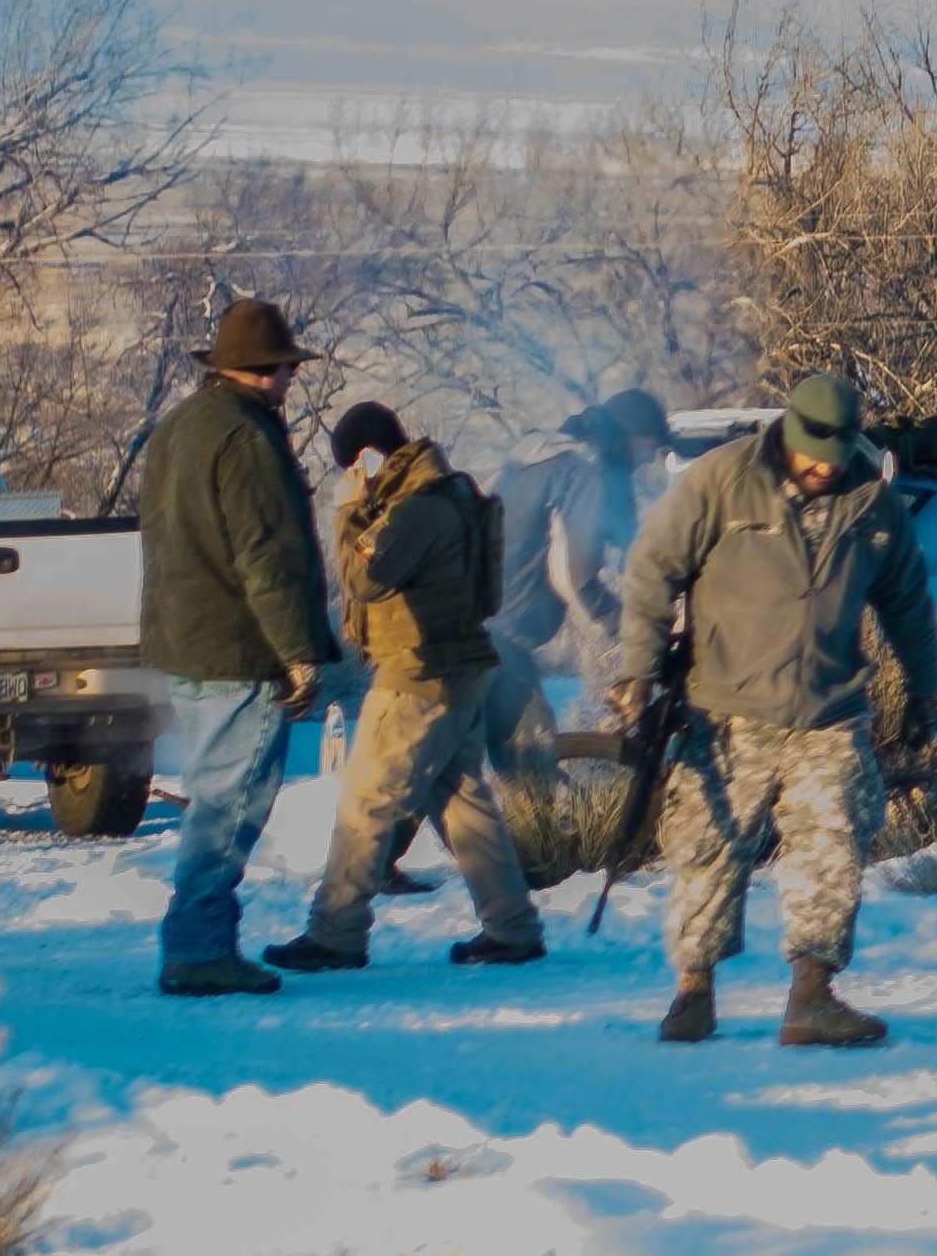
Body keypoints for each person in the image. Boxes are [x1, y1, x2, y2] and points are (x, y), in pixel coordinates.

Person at [614, 373, 937, 1047]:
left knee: (832, 843)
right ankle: (694, 992)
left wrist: (924, 690)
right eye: (814, 454)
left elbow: (908, 600)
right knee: (707, 849)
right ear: (789, 433)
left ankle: (812, 996)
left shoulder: (871, 504)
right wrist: (640, 672)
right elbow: (652, 568)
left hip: (830, 710)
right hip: (724, 706)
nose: (825, 467)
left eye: (837, 455)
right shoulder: (721, 482)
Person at [263, 402, 546, 972]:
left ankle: (336, 934)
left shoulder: (416, 509)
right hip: (458, 672)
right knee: (463, 804)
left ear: (370, 457)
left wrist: (348, 512)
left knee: (365, 805)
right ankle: (511, 927)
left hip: (417, 677)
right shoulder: (449, 494)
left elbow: (366, 580)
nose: (353, 478)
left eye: (353, 466)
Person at [148, 298, 341, 997]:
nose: (292, 378)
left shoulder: (178, 426)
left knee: (211, 799)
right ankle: (199, 950)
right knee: (228, 808)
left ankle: (197, 945)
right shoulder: (247, 437)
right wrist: (296, 652)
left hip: (187, 642)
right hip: (240, 647)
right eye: (288, 368)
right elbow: (266, 555)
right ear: (266, 370)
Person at [484, 388, 673, 770]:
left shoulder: (546, 455)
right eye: (652, 448)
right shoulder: (583, 472)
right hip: (499, 639)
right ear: (637, 436)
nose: (649, 460)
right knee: (532, 760)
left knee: (471, 770)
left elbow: (622, 538)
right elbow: (575, 577)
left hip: (478, 629)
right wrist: (632, 630)